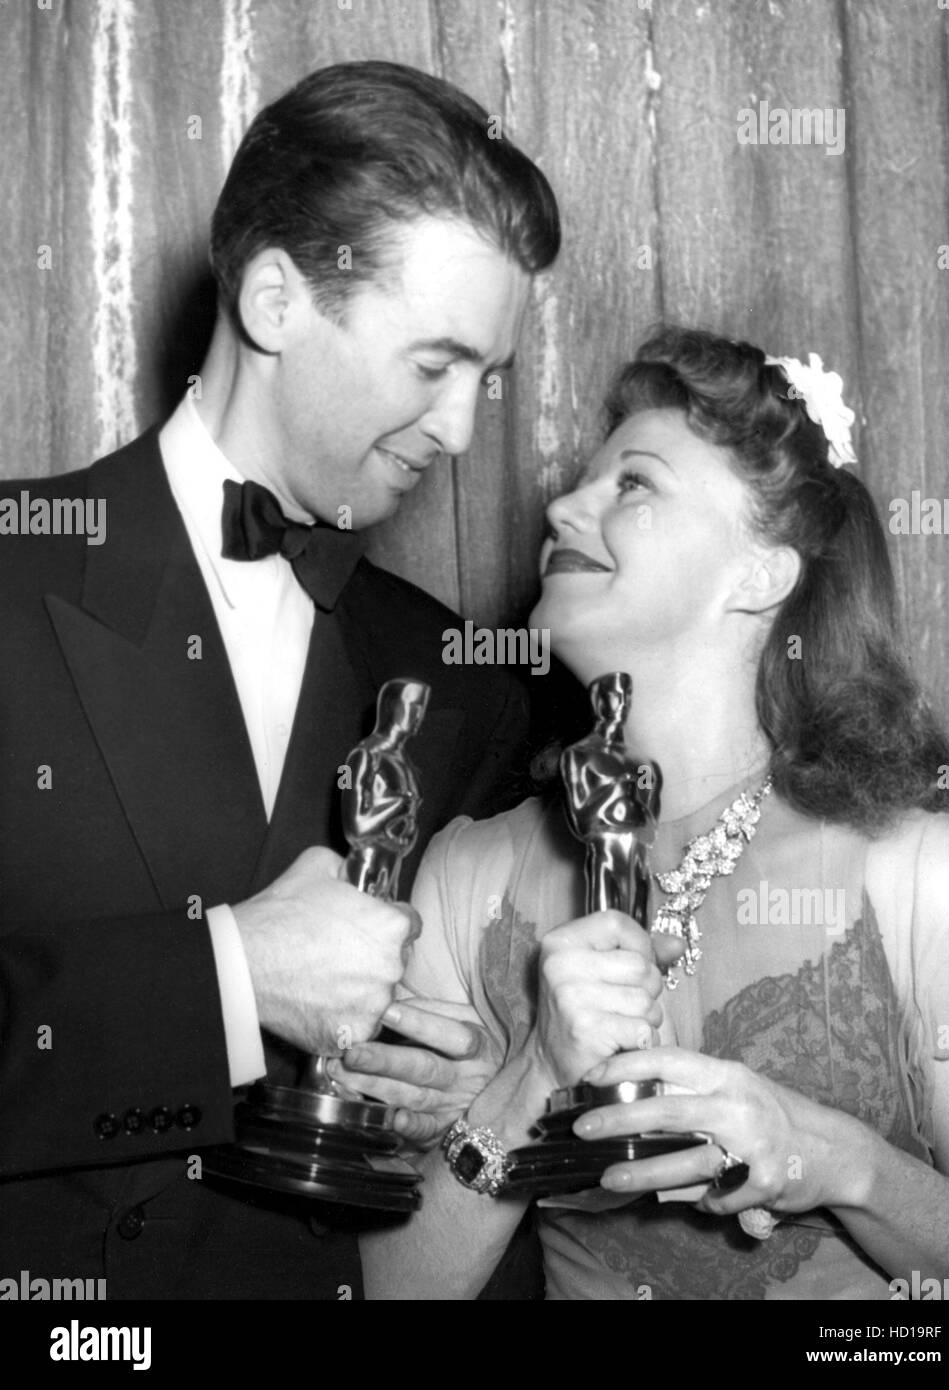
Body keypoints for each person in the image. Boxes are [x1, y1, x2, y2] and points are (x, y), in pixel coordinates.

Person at [0, 60, 559, 1299]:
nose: (465, 433)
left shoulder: (457, 677)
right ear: (272, 301)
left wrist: (449, 1093)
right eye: (433, 365)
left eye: (491, 380)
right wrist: (234, 979)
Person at [359, 326, 949, 1300]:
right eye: (581, 484)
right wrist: (532, 1076)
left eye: (634, 484)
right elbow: (388, 1291)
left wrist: (837, 1160)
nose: (563, 506)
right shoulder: (464, 878)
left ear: (760, 574)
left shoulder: (928, 879)